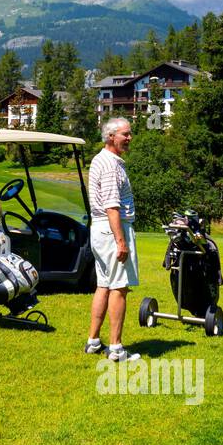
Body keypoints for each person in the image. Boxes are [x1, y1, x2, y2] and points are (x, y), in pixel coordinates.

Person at [84, 118, 142, 362]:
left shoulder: (102, 160)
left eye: (129, 134)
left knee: (104, 285)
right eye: (124, 134)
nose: (129, 138)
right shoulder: (109, 165)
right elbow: (111, 206)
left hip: (100, 230)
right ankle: (116, 349)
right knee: (119, 287)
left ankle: (93, 341)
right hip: (112, 230)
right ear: (111, 137)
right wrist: (121, 241)